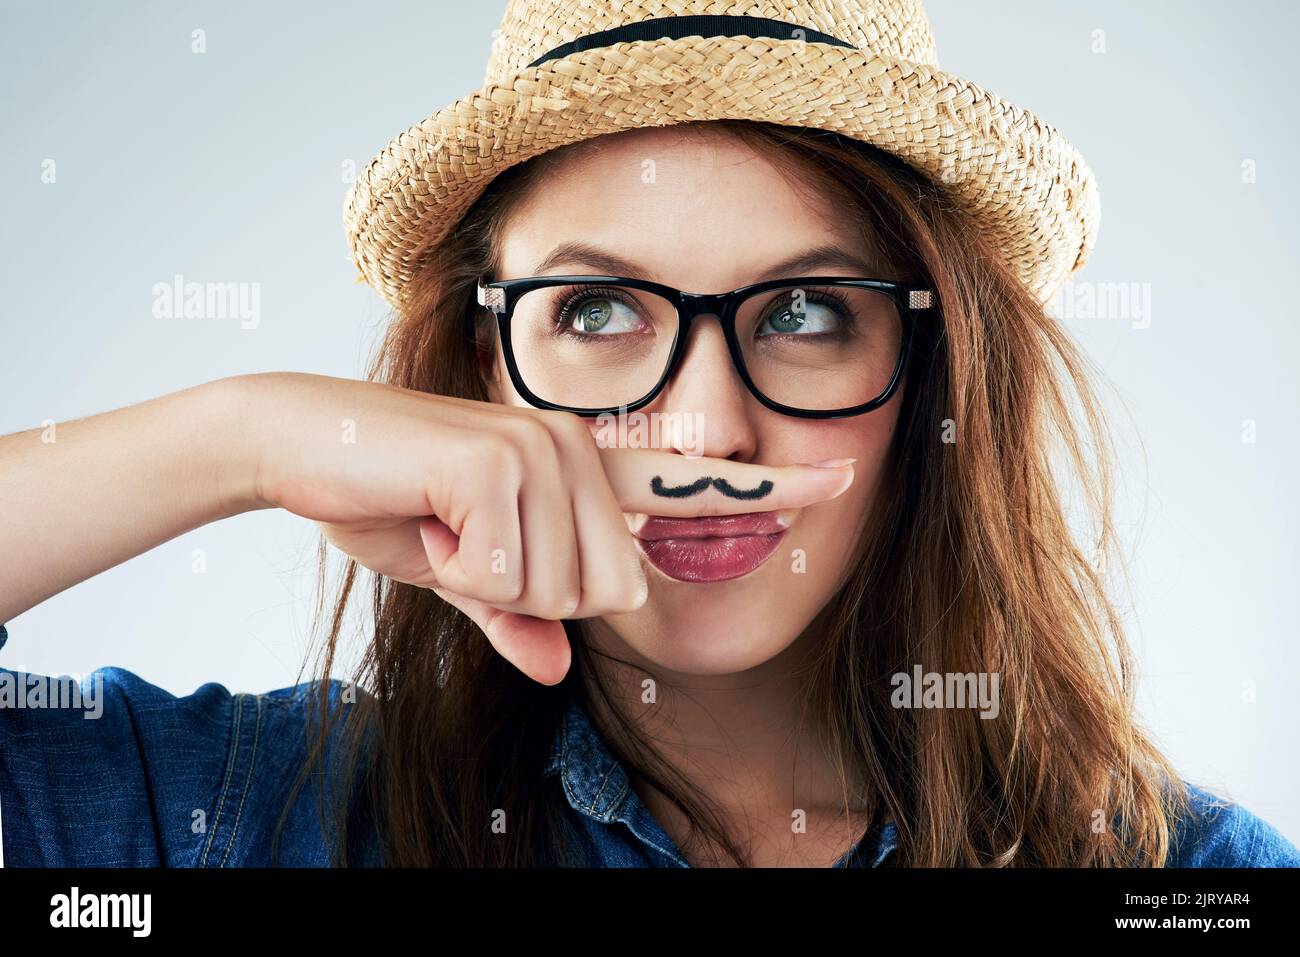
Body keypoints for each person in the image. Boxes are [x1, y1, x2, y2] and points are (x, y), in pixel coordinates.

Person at [2, 0, 1297, 868]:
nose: (704, 430)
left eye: (805, 312)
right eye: (597, 310)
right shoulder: (255, 816)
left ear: (932, 367)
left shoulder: (1188, 876)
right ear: (483, 365)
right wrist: (240, 438)